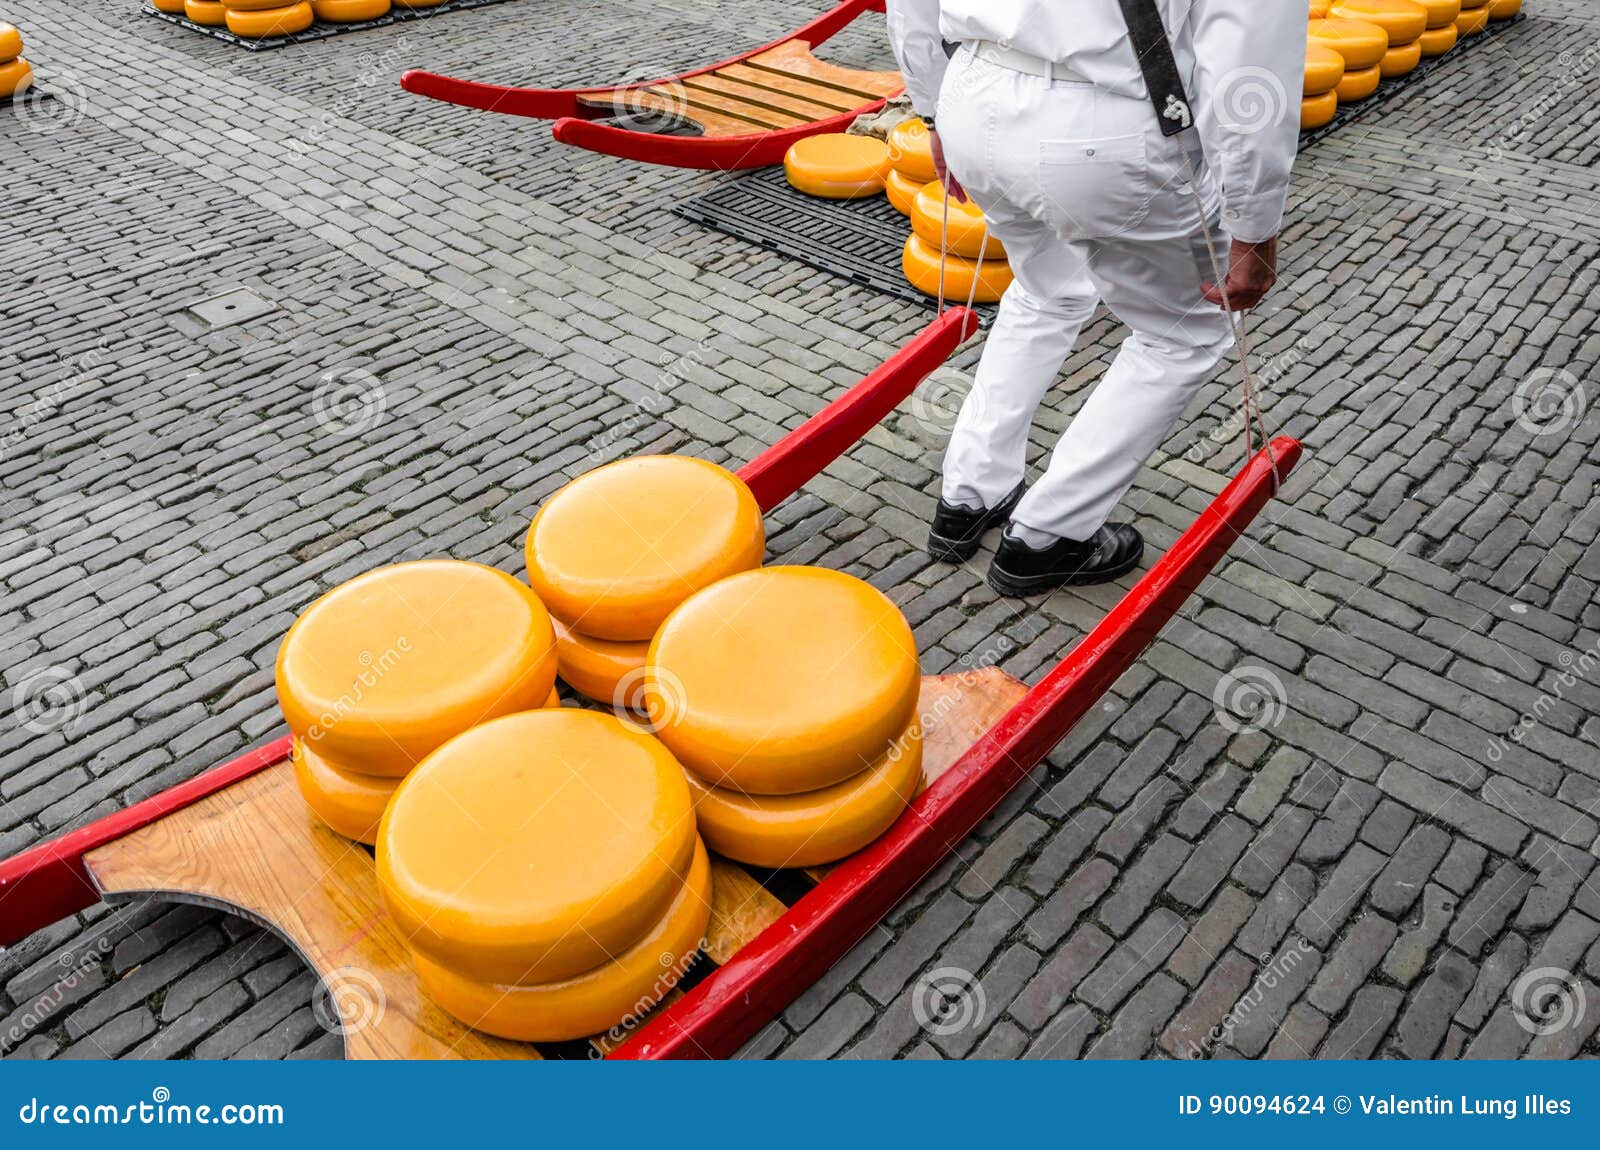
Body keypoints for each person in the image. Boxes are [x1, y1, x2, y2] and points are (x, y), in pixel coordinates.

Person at [886, 0, 1306, 594]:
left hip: (973, 92)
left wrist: (932, 110)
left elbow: (910, 7)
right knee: (1180, 334)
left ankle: (968, 495)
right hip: (1108, 118)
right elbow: (1250, 56)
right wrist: (1254, 221)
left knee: (1042, 290)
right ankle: (1047, 535)